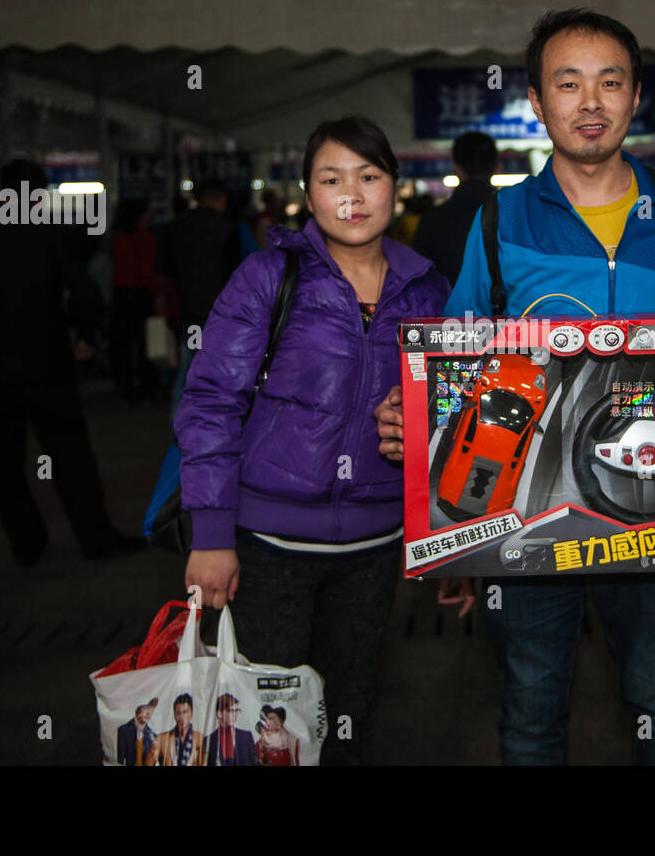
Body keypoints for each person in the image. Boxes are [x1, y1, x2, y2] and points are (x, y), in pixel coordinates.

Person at [376, 8, 655, 766]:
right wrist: (423, 439)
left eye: (609, 82)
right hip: (528, 514)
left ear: (635, 96)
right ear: (537, 99)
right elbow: (458, 353)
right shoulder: (498, 221)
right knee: (529, 711)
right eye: (569, 83)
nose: (590, 102)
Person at [177, 116, 451, 766]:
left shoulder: (432, 291)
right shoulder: (268, 278)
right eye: (332, 178)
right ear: (307, 192)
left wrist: (447, 524)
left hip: (376, 549)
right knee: (265, 728)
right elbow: (212, 401)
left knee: (348, 716)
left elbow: (457, 419)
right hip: (270, 550)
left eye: (369, 176)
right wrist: (212, 534)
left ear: (396, 189)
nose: (351, 194)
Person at [0, 160, 144, 565]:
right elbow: (84, 291)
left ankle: (26, 544)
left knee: (5, 463)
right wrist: (86, 337)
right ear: (38, 193)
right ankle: (96, 539)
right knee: (71, 455)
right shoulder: (50, 233)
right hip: (47, 365)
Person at [160, 179, 241, 415]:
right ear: (219, 200)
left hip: (186, 311)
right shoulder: (227, 230)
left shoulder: (174, 228)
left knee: (187, 368)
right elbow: (235, 276)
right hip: (220, 312)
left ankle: (181, 422)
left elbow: (164, 272)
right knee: (220, 369)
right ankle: (212, 421)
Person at [413, 131, 498, 285]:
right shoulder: (517, 217)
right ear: (498, 168)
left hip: (448, 306)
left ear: (457, 168)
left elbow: (420, 279)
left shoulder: (433, 220)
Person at [109, 198, 160, 404]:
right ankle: (146, 387)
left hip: (121, 295)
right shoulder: (147, 239)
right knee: (144, 343)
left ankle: (126, 386)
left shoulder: (117, 238)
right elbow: (147, 272)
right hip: (141, 296)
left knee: (123, 344)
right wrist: (156, 296)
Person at [146, 693, 205, 766]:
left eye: (185, 712)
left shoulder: (199, 739)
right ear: (174, 715)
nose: (182, 717)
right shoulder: (162, 739)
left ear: (191, 713)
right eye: (178, 713)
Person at [205, 692, 257, 766]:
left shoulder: (246, 736)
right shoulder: (208, 740)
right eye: (231, 710)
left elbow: (254, 763)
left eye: (236, 710)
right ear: (219, 713)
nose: (235, 714)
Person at [116, 699, 158, 767]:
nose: (148, 714)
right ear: (137, 711)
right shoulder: (123, 730)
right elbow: (120, 761)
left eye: (151, 711)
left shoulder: (153, 736)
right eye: (145, 710)